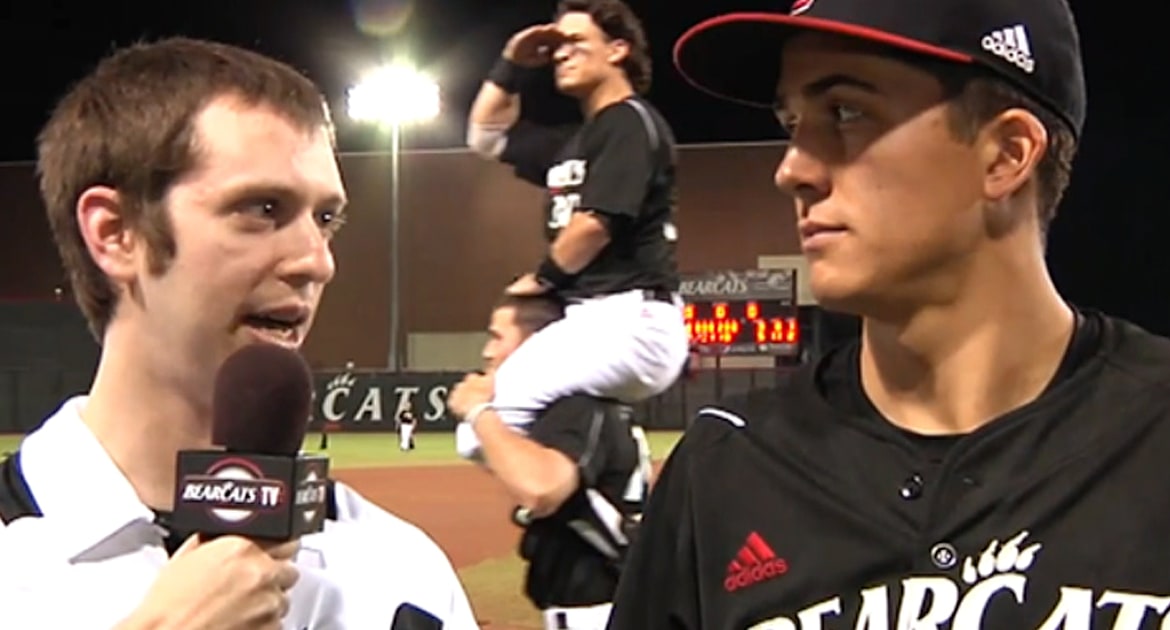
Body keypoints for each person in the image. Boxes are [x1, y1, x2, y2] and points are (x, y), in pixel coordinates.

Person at [609, 1, 1170, 628]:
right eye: (792, 122)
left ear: (1006, 154)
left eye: (845, 113)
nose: (792, 170)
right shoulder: (725, 469)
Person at [0, 37, 478, 629]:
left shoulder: (403, 575)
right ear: (116, 233)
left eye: (325, 219)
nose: (317, 261)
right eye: (263, 209)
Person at [459, 0, 688, 459]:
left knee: (479, 432)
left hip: (631, 320)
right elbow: (482, 134)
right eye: (559, 46)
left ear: (618, 50)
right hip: (595, 319)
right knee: (554, 425)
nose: (563, 53)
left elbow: (595, 224)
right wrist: (511, 63)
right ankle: (618, 462)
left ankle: (591, 501)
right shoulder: (573, 142)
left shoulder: (628, 121)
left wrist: (544, 278)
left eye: (578, 42)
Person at [448, 295, 652, 630]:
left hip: (598, 614)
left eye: (498, 337)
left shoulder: (577, 406)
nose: (488, 352)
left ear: (536, 345)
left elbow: (540, 488)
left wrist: (478, 412)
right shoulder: (579, 404)